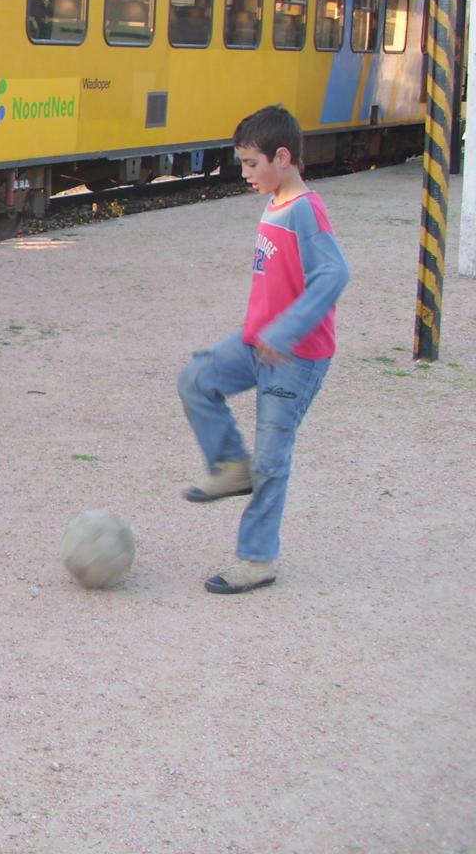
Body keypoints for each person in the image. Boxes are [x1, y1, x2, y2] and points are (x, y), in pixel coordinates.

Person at [176, 104, 350, 595]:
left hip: (295, 357)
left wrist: (285, 332)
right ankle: (230, 467)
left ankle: (257, 560)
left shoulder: (306, 208)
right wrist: (264, 332)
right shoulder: (274, 200)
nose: (245, 173)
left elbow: (334, 274)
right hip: (257, 343)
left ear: (283, 156)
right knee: (196, 379)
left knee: (272, 460)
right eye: (243, 164)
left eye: (252, 164)